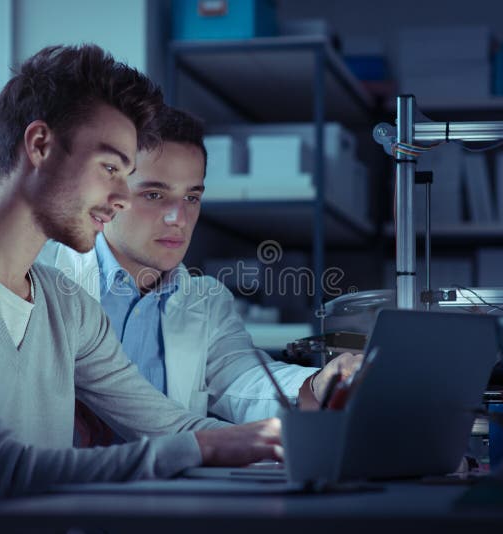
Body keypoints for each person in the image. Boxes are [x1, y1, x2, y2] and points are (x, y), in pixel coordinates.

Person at [0, 45, 281, 533]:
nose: (119, 198)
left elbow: (174, 427)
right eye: (111, 169)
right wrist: (204, 447)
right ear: (40, 144)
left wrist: (289, 441)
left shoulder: (66, 306)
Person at [39, 106, 358, 430]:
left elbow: (245, 380)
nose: (178, 218)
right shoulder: (46, 280)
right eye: (154, 194)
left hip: (172, 479)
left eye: (191, 197)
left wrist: (322, 384)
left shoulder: (205, 301)